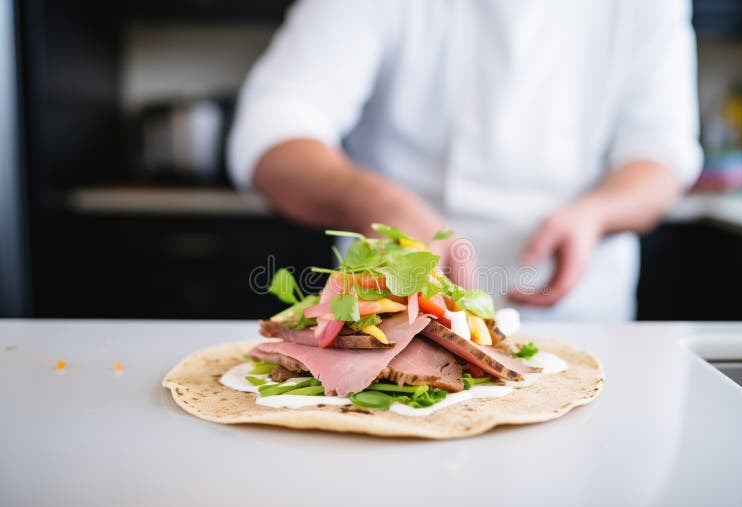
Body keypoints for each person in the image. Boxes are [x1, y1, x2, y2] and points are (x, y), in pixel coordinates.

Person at [228, 0, 702, 320]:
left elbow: (659, 156)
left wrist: (597, 214)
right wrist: (380, 204)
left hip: (583, 315)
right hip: (394, 308)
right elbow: (273, 132)